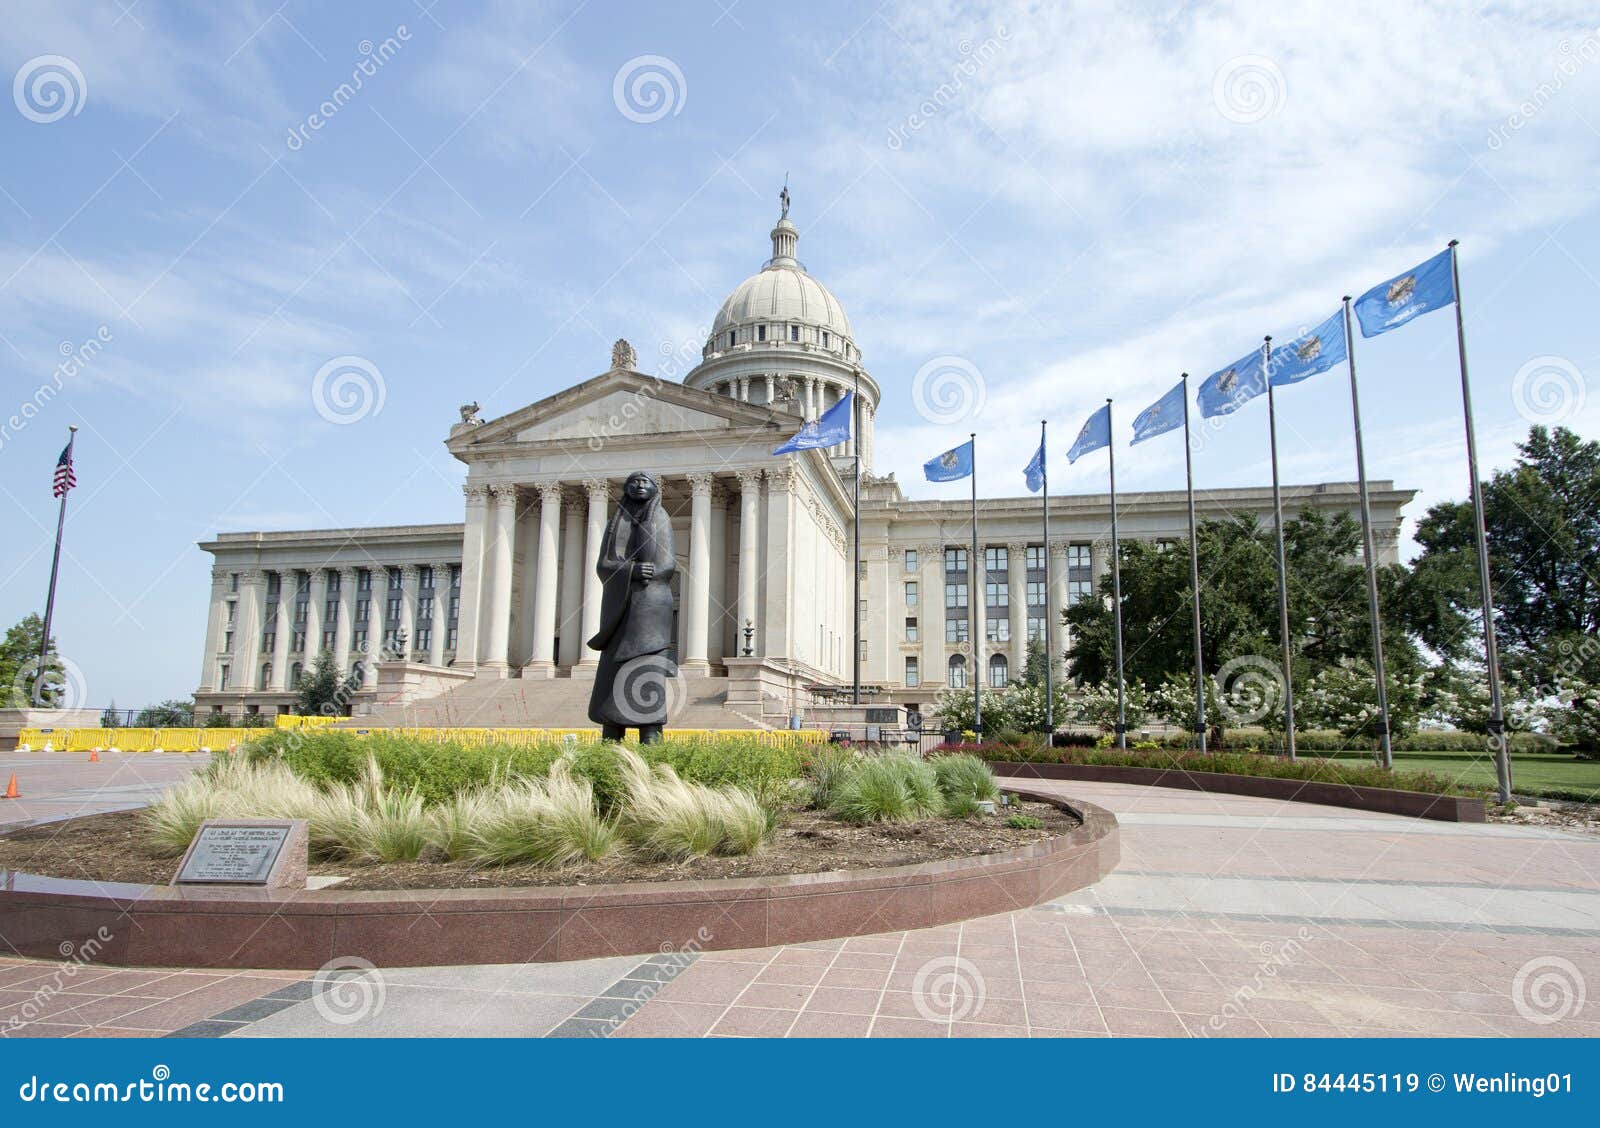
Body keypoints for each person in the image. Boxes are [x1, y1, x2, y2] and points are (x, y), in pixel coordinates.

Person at [587, 471, 678, 742]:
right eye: (634, 482)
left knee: (647, 674)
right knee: (613, 677)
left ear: (655, 488)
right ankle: (611, 739)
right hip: (619, 613)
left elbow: (666, 566)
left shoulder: (660, 518)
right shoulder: (615, 524)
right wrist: (633, 570)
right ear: (625, 488)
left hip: (650, 612)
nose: (639, 486)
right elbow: (603, 566)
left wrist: (643, 572)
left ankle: (651, 740)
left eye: (645, 481)